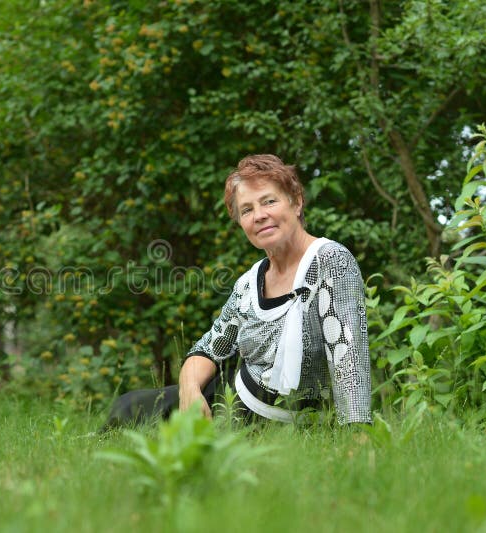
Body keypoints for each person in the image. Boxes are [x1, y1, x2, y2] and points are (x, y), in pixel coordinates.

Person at [102, 154, 371, 428]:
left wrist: (358, 436)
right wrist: (190, 390)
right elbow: (208, 349)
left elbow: (349, 358)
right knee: (127, 409)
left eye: (269, 201)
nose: (260, 215)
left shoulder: (330, 260)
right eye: (247, 210)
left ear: (296, 201)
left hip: (289, 425)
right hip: (228, 404)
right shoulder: (248, 283)